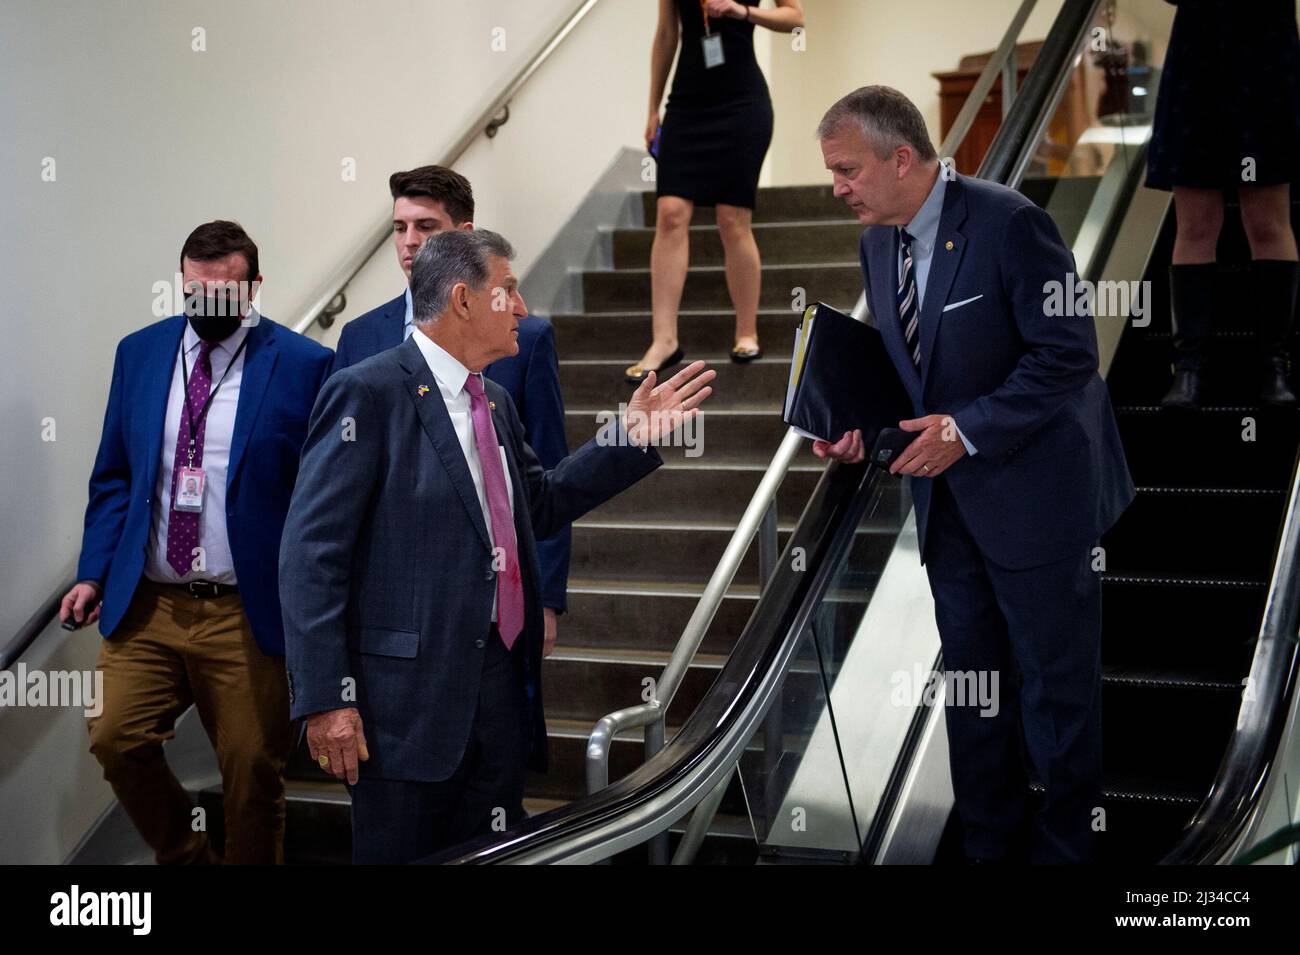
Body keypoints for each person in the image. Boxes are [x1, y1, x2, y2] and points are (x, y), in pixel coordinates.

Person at [279, 229, 715, 864]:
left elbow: (536, 504)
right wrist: (324, 699)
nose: (522, 307)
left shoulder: (497, 401)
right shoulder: (367, 393)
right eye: (507, 291)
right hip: (402, 713)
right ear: (462, 300)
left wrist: (625, 437)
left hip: (497, 697)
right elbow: (310, 555)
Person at [815, 87, 1135, 863]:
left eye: (847, 169)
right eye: (831, 173)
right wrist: (865, 430)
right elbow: (915, 376)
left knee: (1057, 701)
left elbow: (1068, 354)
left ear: (902, 157)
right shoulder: (877, 244)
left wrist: (967, 430)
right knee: (973, 697)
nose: (837, 187)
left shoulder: (1009, 223)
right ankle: (991, 848)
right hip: (949, 511)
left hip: (1039, 502)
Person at [60, 220, 333, 864]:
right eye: (196, 291)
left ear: (255, 287)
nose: (209, 306)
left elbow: (320, 499)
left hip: (245, 608)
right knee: (115, 737)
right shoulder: (140, 353)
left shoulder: (304, 366)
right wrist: (93, 572)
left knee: (249, 771)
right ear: (181, 283)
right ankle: (189, 857)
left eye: (226, 292)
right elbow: (115, 477)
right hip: (149, 601)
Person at [333, 165, 571, 655]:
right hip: (396, 604)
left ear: (464, 239)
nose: (409, 242)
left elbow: (542, 476)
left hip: (492, 596)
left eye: (426, 228)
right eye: (400, 228)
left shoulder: (521, 341)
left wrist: (545, 597)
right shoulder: (359, 338)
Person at [625, 0, 805, 384]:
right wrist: (652, 109)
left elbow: (794, 18)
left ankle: (746, 330)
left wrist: (745, 12)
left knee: (732, 218)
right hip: (687, 104)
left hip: (744, 103)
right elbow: (666, 34)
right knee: (670, 211)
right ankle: (664, 339)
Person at [1148, 0, 1299, 408]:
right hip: (1199, 56)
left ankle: (1275, 365)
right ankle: (1189, 369)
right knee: (1195, 224)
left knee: (1268, 223)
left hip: (1267, 54)